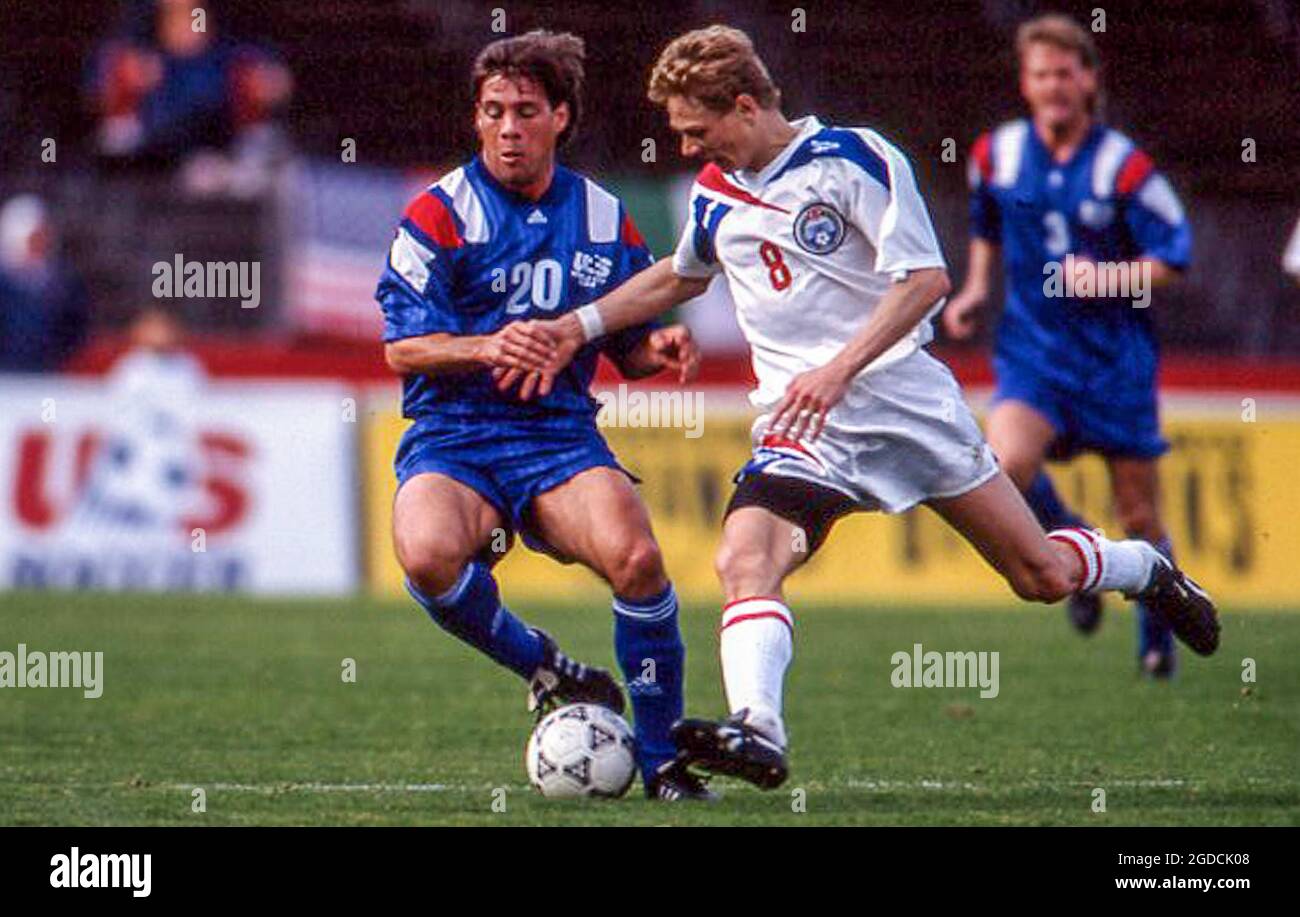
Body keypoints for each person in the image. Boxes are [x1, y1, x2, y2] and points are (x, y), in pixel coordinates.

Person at [497, 25, 1220, 790]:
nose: (686, 150)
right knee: (746, 558)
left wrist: (840, 368)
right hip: (804, 428)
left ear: (744, 105)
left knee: (1038, 572)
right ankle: (759, 729)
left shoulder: (855, 160)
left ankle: (1145, 568)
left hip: (905, 409)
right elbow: (680, 276)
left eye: (696, 131)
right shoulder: (716, 191)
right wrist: (574, 326)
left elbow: (924, 280)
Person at [375, 30, 712, 800]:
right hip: (455, 439)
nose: (506, 128)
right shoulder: (438, 214)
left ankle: (663, 761)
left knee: (638, 560)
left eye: (524, 111)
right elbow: (403, 350)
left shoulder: (600, 215)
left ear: (560, 117)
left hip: (558, 438)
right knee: (425, 553)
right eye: (492, 111)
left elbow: (627, 346)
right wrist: (488, 345)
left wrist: (658, 344)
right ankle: (546, 664)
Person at [943, 14, 1192, 676]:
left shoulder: (1124, 166)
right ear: (1025, 84)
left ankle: (1156, 637)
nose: (1053, 85)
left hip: (1116, 363)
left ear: (1088, 80)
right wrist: (974, 288)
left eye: (1065, 72)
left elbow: (1176, 256)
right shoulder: (996, 154)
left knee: (1140, 511)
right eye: (1041, 74)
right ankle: (1073, 542)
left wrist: (1112, 276)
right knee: (1003, 466)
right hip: (1034, 354)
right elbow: (986, 226)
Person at [0, 195, 91, 373]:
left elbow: (75, 330)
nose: (38, 243)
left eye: (42, 236)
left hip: (44, 375)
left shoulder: (62, 284)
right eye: (32, 237)